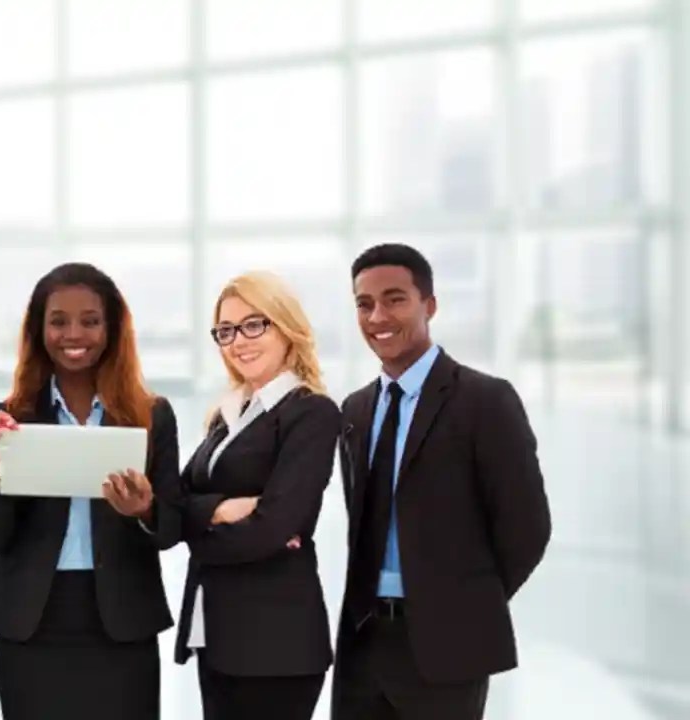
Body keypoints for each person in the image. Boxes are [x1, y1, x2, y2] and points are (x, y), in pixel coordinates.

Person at [333, 243, 552, 720]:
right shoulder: (354, 410)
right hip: (363, 644)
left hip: (447, 647)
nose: (377, 316)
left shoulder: (485, 401)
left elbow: (527, 528)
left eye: (395, 299)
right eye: (364, 304)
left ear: (429, 305)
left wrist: (459, 601)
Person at [0, 262, 181, 720]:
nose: (74, 334)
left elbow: (170, 529)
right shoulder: (10, 417)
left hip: (120, 622)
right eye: (58, 320)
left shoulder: (151, 416)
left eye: (90, 320)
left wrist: (146, 510)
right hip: (32, 623)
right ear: (38, 329)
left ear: (111, 328)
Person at [172, 271, 338, 720]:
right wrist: (223, 510)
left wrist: (197, 528)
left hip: (276, 645)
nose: (238, 340)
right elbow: (174, 503)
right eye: (225, 330)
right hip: (218, 633)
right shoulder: (226, 416)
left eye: (253, 324)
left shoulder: (312, 413)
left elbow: (273, 529)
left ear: (286, 327)